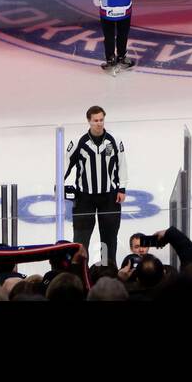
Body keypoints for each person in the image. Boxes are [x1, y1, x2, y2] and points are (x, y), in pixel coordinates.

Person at [64, 105, 128, 266]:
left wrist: (122, 188)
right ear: (89, 121)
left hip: (109, 196)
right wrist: (59, 184)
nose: (99, 123)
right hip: (85, 197)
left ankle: (108, 268)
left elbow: (122, 164)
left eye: (101, 120)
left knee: (109, 237)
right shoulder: (79, 142)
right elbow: (65, 164)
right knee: (81, 238)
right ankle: (79, 270)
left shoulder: (114, 140)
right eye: (95, 120)